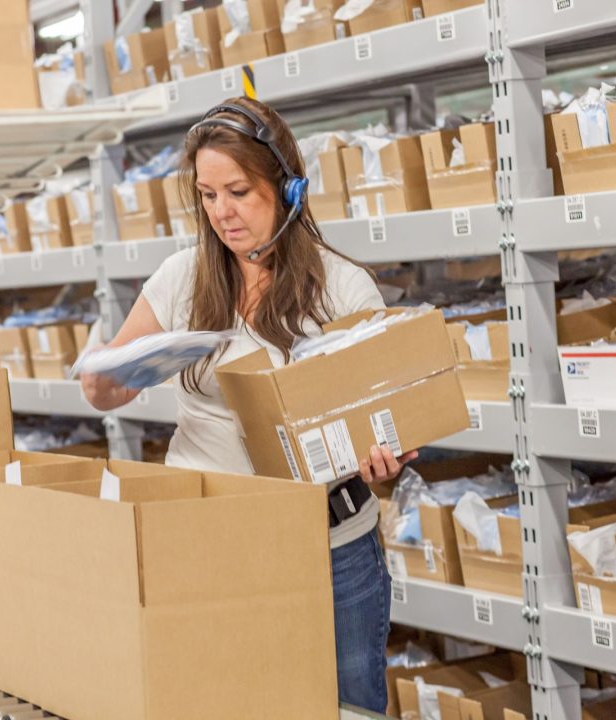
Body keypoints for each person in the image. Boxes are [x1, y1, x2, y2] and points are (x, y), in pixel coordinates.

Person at [80, 97, 417, 714]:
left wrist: (383, 457)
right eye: (207, 196)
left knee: (344, 708)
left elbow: (386, 413)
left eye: (238, 191)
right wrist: (109, 374)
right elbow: (105, 390)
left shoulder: (343, 287)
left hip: (328, 547)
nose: (222, 214)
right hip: (207, 539)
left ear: (287, 187)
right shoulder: (182, 278)